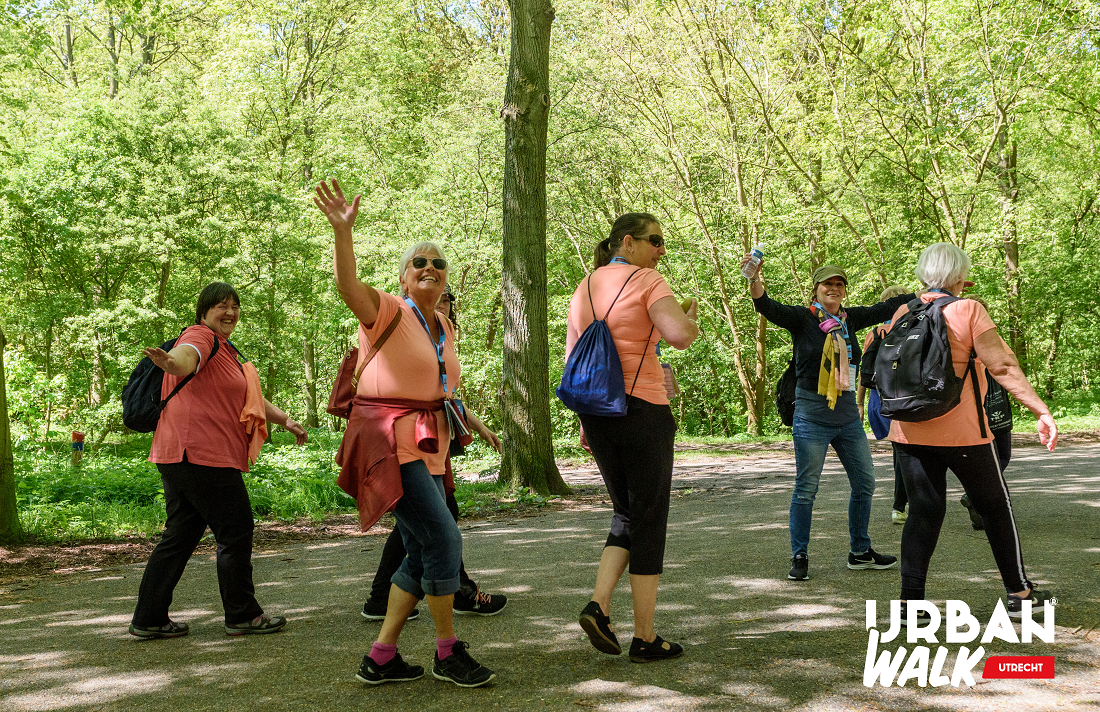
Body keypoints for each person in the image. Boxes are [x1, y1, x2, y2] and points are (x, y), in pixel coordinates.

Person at [314, 178, 495, 688]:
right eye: (419, 262)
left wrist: (472, 420)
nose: (429, 268)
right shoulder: (388, 311)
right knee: (443, 538)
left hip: (431, 441)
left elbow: (442, 386)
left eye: (438, 263)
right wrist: (342, 232)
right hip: (390, 441)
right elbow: (347, 287)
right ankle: (447, 651)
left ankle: (382, 656)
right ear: (403, 276)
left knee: (420, 550)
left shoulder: (445, 326)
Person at [887, 242, 1058, 620]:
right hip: (964, 433)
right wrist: (1040, 409)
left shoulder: (903, 311)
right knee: (996, 508)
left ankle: (909, 604)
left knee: (923, 513)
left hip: (909, 431)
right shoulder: (968, 309)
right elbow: (1003, 365)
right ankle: (1020, 594)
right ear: (960, 276)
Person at [129, 281, 308, 639]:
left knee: (180, 535)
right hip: (200, 455)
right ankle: (242, 614)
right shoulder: (200, 335)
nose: (230, 312)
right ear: (204, 312)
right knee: (235, 529)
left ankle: (149, 617)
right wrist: (172, 363)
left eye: (235, 306)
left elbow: (247, 396)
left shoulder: (227, 351)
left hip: (183, 454)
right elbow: (186, 357)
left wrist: (285, 420)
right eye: (221, 306)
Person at [567, 212, 699, 663]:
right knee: (648, 520)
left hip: (597, 412)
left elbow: (573, 358)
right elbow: (679, 337)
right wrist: (689, 320)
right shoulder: (647, 281)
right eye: (654, 240)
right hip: (642, 410)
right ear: (628, 242)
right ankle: (645, 637)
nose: (661, 250)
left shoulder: (584, 286)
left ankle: (598, 606)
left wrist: (584, 422)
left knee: (626, 512)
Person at [744, 258, 916, 581]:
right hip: (811, 415)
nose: (834, 289)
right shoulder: (803, 319)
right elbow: (766, 306)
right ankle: (800, 554)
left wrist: (930, 292)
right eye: (828, 284)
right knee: (806, 488)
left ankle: (860, 551)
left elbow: (888, 306)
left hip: (847, 416)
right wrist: (754, 280)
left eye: (840, 285)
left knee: (865, 483)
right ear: (816, 290)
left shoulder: (851, 320)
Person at [361, 285, 507, 622]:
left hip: (435, 443)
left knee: (421, 532)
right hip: (405, 443)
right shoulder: (399, 324)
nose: (442, 304)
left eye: (446, 298)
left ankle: (383, 608)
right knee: (439, 531)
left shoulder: (444, 333)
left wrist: (480, 427)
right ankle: (457, 598)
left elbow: (447, 395)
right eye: (437, 298)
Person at [855, 285, 910, 525]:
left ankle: (902, 504)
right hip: (904, 397)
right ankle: (900, 505)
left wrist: (859, 402)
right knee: (906, 451)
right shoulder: (911, 327)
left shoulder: (876, 332)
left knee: (900, 450)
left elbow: (864, 371)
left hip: (879, 400)